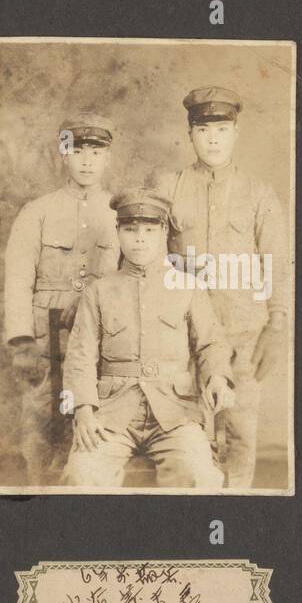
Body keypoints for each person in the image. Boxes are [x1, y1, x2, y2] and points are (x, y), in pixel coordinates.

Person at [152, 86, 287, 488]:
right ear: (189, 133)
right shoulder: (168, 187)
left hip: (241, 334)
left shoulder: (259, 194)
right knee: (185, 431)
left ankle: (237, 508)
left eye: (222, 129)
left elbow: (276, 263)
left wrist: (277, 325)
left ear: (236, 132)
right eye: (203, 129)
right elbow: (145, 252)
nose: (213, 139)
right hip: (181, 332)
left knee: (241, 432)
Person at [62, 188, 234, 489]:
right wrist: (84, 410)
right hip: (111, 415)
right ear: (118, 231)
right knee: (81, 475)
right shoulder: (99, 291)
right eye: (130, 229)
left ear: (163, 232)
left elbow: (211, 344)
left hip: (175, 414)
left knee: (199, 475)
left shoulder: (187, 287)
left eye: (149, 230)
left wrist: (217, 377)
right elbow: (80, 355)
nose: (139, 238)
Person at [3, 114, 119, 484]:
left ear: (108, 158)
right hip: (45, 339)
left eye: (96, 152)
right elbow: (18, 280)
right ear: (63, 156)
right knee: (40, 419)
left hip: (99, 338)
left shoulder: (120, 214)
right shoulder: (37, 212)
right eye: (77, 151)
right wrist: (22, 343)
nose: (87, 160)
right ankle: (38, 494)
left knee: (89, 420)